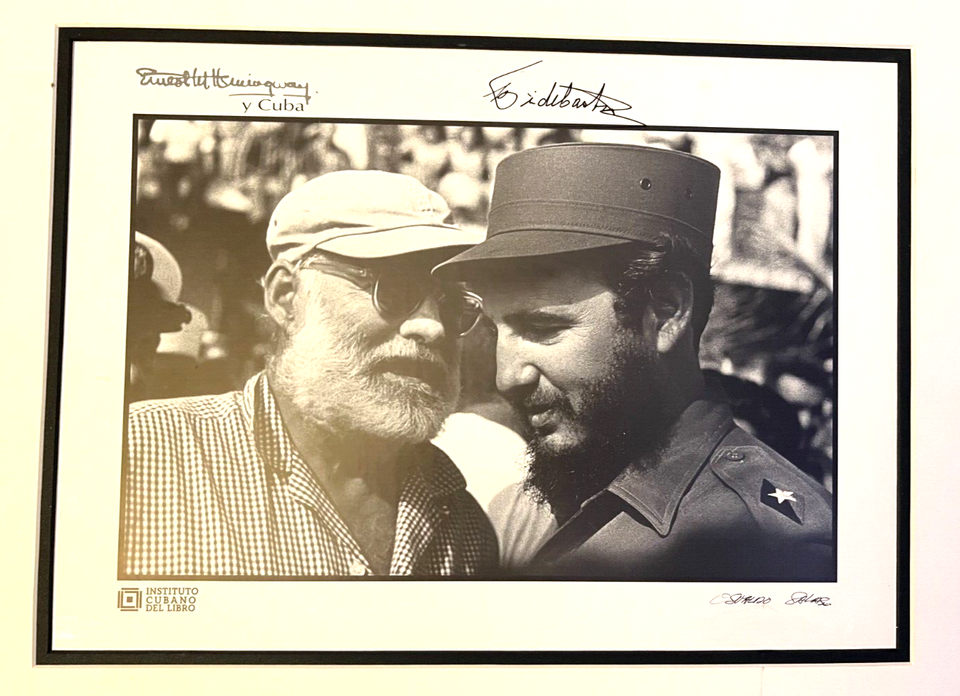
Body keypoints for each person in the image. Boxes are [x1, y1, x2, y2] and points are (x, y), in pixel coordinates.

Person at [436, 143, 834, 581]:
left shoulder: (768, 547)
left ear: (665, 311)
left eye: (542, 328)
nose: (505, 377)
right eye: (495, 332)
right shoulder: (522, 507)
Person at [122, 170, 498, 578]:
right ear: (286, 298)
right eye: (393, 291)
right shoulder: (141, 456)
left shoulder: (466, 528)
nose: (433, 327)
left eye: (453, 303)